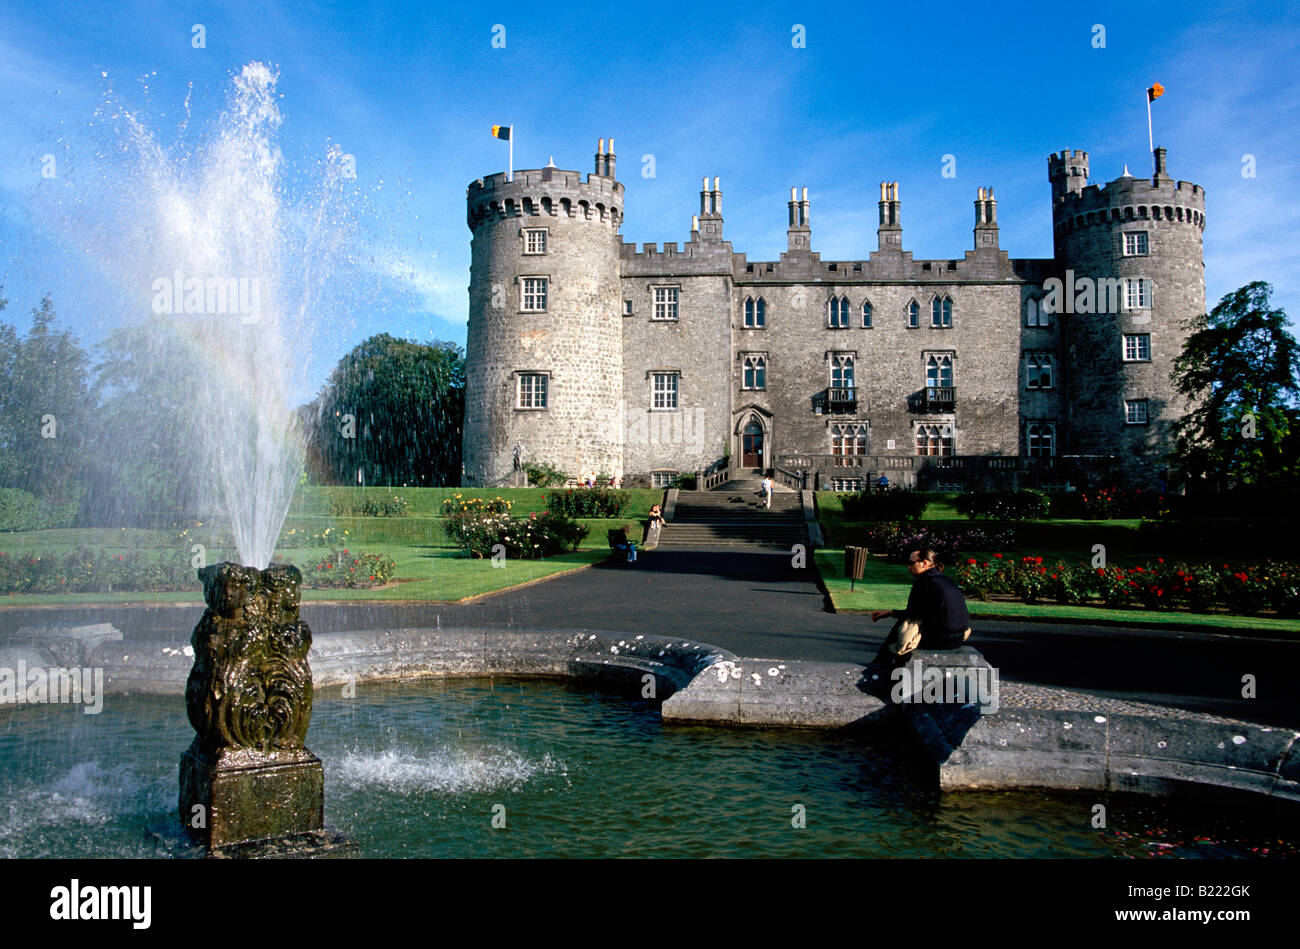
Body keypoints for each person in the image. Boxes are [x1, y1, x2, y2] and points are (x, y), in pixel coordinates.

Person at [863, 547, 972, 695]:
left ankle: (878, 666)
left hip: (941, 639)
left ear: (925, 563)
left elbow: (912, 613)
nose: (908, 567)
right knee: (907, 624)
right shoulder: (946, 580)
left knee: (903, 627)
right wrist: (890, 612)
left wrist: (890, 613)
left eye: (911, 563)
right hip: (959, 637)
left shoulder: (923, 582)